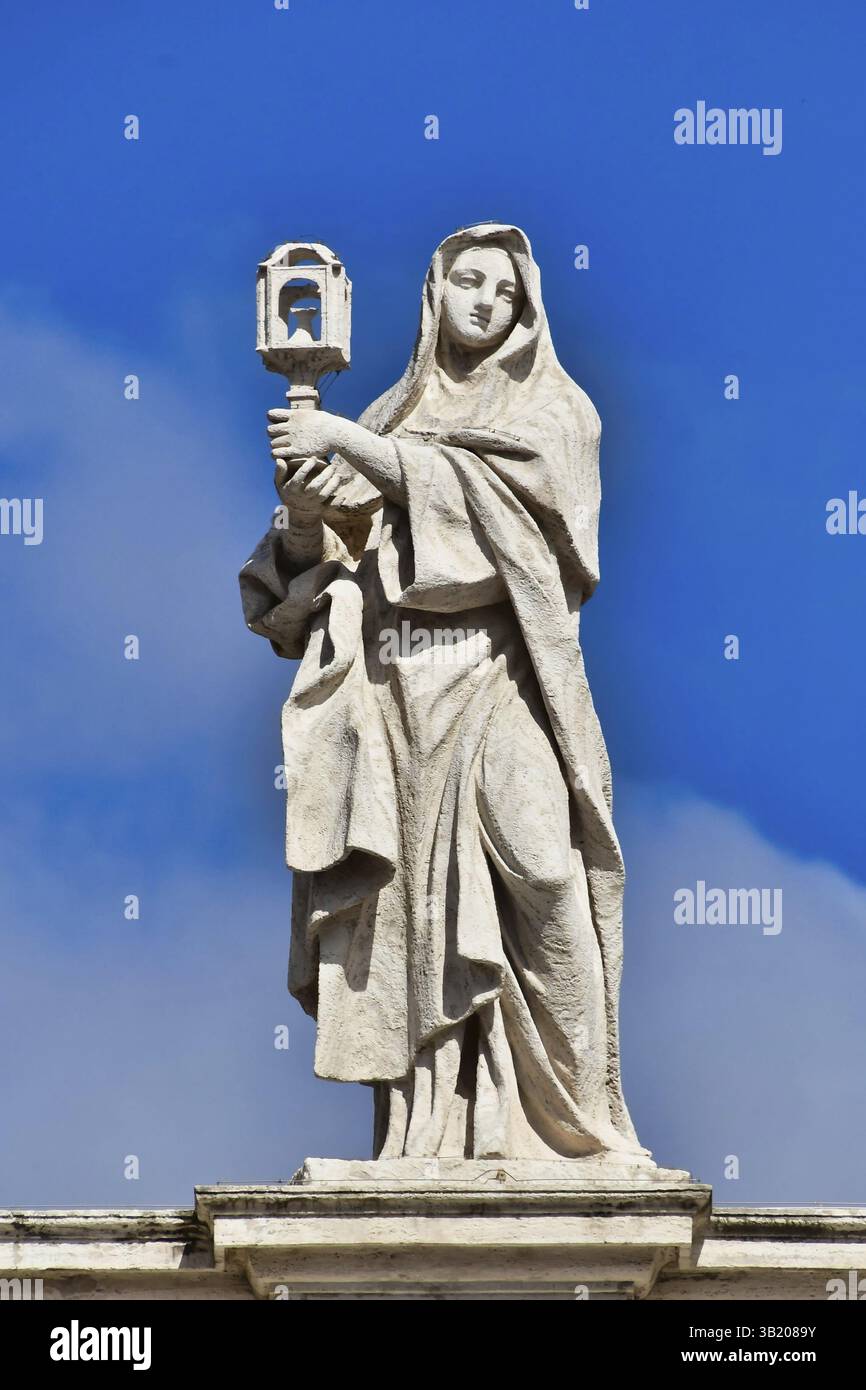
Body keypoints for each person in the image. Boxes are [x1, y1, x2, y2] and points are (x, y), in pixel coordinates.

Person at [240, 223, 646, 1161]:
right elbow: (296, 586)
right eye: (467, 282)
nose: (483, 302)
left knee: (545, 873)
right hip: (394, 695)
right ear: (435, 292)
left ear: (526, 307)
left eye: (502, 292)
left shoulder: (559, 414)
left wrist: (345, 443)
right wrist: (306, 509)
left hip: (500, 677)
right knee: (406, 915)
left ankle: (581, 1123)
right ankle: (431, 1136)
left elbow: (517, 532)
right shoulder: (388, 414)